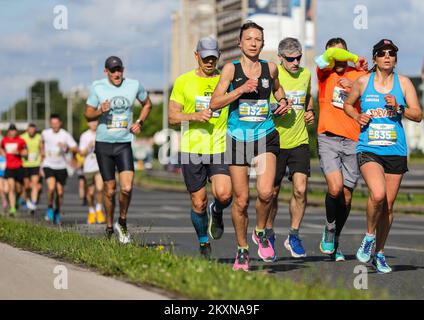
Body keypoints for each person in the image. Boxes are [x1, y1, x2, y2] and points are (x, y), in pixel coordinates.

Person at [210, 21, 290, 271]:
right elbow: (214, 103)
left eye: (258, 39)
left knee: (267, 193)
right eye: (249, 39)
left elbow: (278, 90)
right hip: (238, 139)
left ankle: (260, 232)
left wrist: (284, 100)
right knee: (242, 200)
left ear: (263, 44)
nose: (254, 43)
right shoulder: (230, 70)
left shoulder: (271, 68)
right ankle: (242, 249)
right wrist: (241, 90)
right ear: (240, 43)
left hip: (265, 136)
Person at [344, 39, 422, 273]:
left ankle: (379, 253)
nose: (387, 56)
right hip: (369, 148)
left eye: (391, 53)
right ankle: (369, 237)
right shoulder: (363, 82)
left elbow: (418, 115)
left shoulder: (404, 83)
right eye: (382, 53)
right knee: (377, 195)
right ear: (375, 58)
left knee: (387, 205)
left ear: (395, 59)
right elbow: (348, 105)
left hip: (395, 150)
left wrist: (399, 108)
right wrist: (357, 117)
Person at [169, 36, 232, 259]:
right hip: (192, 148)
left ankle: (217, 210)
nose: (209, 61)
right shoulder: (183, 82)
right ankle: (204, 242)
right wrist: (194, 116)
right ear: (197, 56)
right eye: (205, 57)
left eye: (213, 57)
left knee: (224, 195)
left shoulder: (226, 79)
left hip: (220, 147)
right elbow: (172, 117)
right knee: (198, 202)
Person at [85, 56, 152, 243]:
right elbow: (87, 114)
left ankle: (121, 222)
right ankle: (108, 226)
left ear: (123, 69)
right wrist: (100, 111)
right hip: (104, 143)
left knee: (127, 188)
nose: (117, 74)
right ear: (106, 71)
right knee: (109, 189)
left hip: (124, 143)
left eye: (119, 70)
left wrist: (140, 122)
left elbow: (147, 104)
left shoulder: (134, 85)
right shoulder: (97, 86)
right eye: (113, 70)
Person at [314, 37, 368, 261]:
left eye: (342, 53)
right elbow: (324, 59)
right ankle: (329, 228)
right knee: (334, 189)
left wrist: (361, 66)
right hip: (328, 137)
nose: (338, 57)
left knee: (346, 196)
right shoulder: (324, 73)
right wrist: (349, 56)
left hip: (353, 139)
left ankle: (335, 240)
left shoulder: (358, 75)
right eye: (334, 53)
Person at [266, 37, 314, 259]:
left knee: (300, 189)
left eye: (298, 58)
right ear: (280, 58)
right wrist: (276, 108)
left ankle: (293, 234)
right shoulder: (272, 75)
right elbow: (261, 104)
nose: (295, 62)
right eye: (290, 59)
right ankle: (268, 233)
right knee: (271, 193)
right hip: (275, 141)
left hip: (299, 140)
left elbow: (308, 97)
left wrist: (310, 111)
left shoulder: (305, 74)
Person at [41, 114, 78, 224]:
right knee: (51, 188)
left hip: (61, 166)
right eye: (53, 124)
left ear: (60, 123)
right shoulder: (45, 133)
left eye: (56, 123)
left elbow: (75, 148)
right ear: (50, 123)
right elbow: (41, 144)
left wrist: (65, 147)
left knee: (60, 192)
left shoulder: (65, 135)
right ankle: (49, 207)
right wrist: (41, 155)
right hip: (48, 164)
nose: (55, 126)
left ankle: (57, 211)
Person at [79, 120, 105, 224]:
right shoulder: (84, 136)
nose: (94, 124)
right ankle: (91, 211)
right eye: (91, 122)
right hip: (88, 168)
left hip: (100, 166)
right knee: (89, 193)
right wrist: (89, 145)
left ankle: (99, 210)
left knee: (100, 189)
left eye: (95, 122)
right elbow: (81, 153)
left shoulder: (102, 134)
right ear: (88, 124)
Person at [0, 124, 27, 217]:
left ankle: (16, 201)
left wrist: (19, 152)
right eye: (11, 131)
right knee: (11, 188)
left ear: (16, 131)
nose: (13, 132)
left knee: (19, 189)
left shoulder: (21, 140)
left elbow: (26, 153)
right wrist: (3, 153)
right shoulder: (4, 140)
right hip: (9, 167)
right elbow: (1, 148)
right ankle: (12, 208)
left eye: (14, 130)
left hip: (19, 167)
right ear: (8, 132)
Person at [20, 123, 42, 215]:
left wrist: (42, 162)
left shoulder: (39, 137)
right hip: (25, 165)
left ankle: (33, 203)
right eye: (30, 129)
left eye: (33, 130)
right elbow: (18, 149)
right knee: (26, 186)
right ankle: (27, 200)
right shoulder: (22, 137)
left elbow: (41, 149)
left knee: (35, 184)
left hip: (36, 164)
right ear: (27, 130)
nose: (32, 131)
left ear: (35, 130)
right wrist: (23, 153)